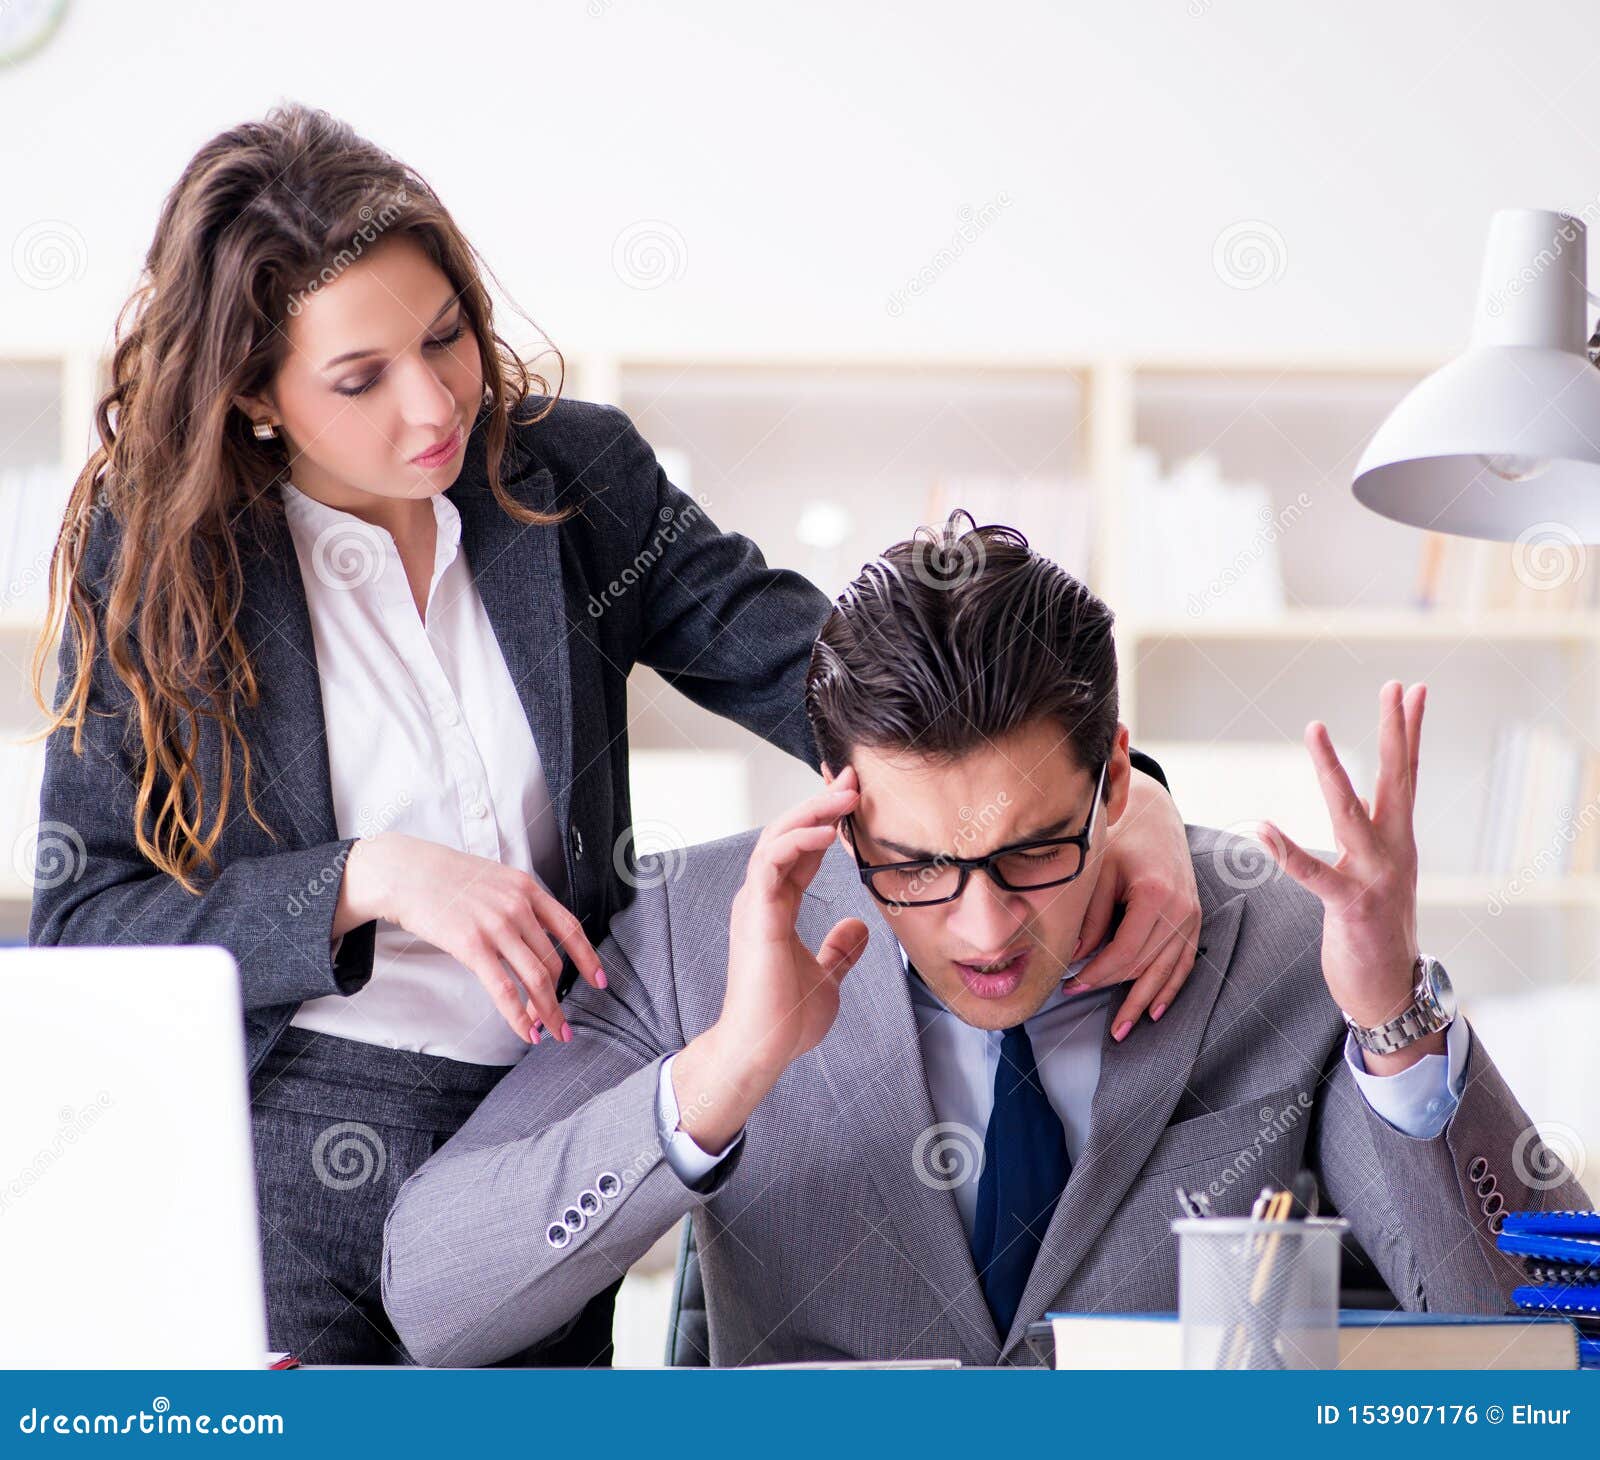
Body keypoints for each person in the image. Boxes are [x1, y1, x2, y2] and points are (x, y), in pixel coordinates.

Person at [25, 105, 1200, 1366]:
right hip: (288, 1145)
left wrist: (1137, 808)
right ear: (254, 391)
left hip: (548, 1129)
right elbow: (85, 917)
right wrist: (371, 877)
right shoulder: (161, 560)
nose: (433, 405)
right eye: (360, 378)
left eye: (445, 337)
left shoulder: (572, 483)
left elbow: (857, 690)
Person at [382, 513, 1589, 1369]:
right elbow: (435, 1297)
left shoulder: (1288, 940)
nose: (983, 924)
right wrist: (724, 1070)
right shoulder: (701, 934)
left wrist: (1389, 1013)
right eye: (913, 864)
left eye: (1029, 852)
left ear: (1117, 776)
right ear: (839, 796)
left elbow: (1541, 1344)